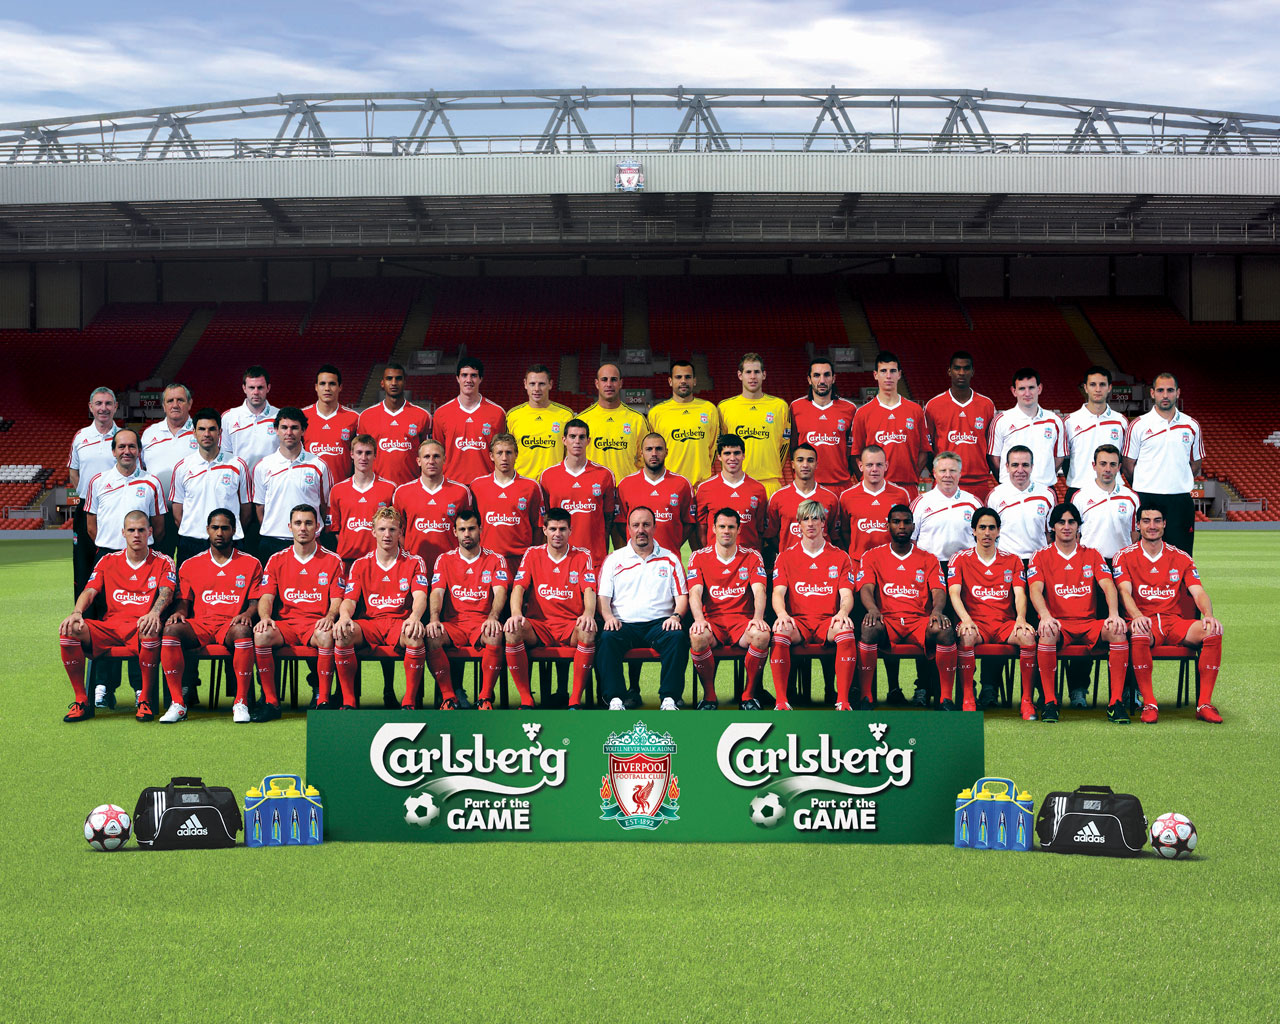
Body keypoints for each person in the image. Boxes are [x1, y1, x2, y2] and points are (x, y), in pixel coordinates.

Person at [58, 511, 174, 723]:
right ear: (123, 533)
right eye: (131, 530)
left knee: (151, 629)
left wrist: (154, 613)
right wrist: (76, 613)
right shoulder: (107, 560)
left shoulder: (163, 561)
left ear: (150, 532)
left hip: (140, 626)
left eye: (141, 530)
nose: (136, 534)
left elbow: (167, 592)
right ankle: (82, 700)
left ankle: (145, 700)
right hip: (110, 627)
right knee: (69, 629)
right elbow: (89, 591)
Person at [1113, 505, 1224, 724]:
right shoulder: (1123, 556)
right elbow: (1124, 592)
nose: (1151, 526)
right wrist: (1136, 616)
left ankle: (1204, 704)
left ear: (1164, 524)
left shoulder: (1181, 557)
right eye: (1146, 521)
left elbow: (1198, 591)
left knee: (1212, 631)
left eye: (1157, 521)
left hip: (1175, 623)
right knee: (1139, 633)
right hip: (1145, 621)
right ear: (1138, 525)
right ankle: (1150, 703)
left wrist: (1208, 614)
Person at [1026, 503, 1129, 723]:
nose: (1066, 526)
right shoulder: (1041, 556)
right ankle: (1050, 702)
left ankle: (1116, 703)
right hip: (1059, 624)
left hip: (1088, 623)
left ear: (1078, 526)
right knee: (1046, 632)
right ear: (1052, 527)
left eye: (1071, 522)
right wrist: (1045, 615)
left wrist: (1113, 614)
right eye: (1061, 522)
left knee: (1118, 631)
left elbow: (1108, 585)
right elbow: (1035, 589)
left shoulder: (1092, 554)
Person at [158, 509, 261, 723]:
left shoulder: (252, 563)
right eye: (215, 528)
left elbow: (255, 602)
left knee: (243, 630)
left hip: (231, 624)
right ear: (207, 530)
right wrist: (178, 614)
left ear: (234, 530)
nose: (219, 533)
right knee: (170, 629)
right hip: (201, 625)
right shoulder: (190, 564)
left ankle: (241, 702)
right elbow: (184, 602)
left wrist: (248, 614)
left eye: (225, 528)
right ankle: (178, 703)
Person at [856, 505, 958, 709]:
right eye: (896, 522)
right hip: (888, 620)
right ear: (888, 526)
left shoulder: (928, 558)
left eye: (906, 522)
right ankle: (866, 696)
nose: (901, 526)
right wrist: (873, 609)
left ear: (913, 527)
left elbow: (938, 590)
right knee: (868, 628)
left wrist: (937, 611)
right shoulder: (872, 556)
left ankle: (945, 698)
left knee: (945, 631)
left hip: (918, 621)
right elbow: (866, 588)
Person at [253, 505, 347, 717]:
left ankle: (322, 701)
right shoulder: (276, 559)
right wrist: (266, 618)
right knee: (261, 634)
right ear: (290, 527)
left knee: (326, 634)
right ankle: (270, 702)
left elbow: (337, 598)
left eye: (308, 523)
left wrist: (330, 617)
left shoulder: (333, 560)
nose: (303, 528)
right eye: (298, 523)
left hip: (316, 624)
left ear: (317, 527)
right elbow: (266, 596)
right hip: (286, 625)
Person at [334, 507, 433, 708]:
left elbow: (420, 596)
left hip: (400, 623)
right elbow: (350, 600)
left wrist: (414, 617)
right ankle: (349, 701)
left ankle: (410, 702)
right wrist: (344, 617)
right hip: (371, 624)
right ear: (373, 531)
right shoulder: (361, 564)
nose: (387, 535)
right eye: (381, 529)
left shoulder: (415, 562)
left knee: (414, 635)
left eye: (392, 530)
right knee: (343, 633)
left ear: (400, 532)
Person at [768, 500, 858, 710]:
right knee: (781, 630)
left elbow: (847, 594)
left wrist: (843, 612)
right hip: (798, 622)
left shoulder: (839, 556)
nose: (810, 523)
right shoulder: (785, 557)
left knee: (845, 628)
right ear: (798, 523)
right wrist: (781, 614)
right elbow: (778, 592)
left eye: (815, 518)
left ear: (823, 523)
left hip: (828, 621)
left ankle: (843, 701)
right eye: (806, 519)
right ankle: (781, 701)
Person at [947, 508, 1038, 717]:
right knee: (966, 635)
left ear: (998, 531)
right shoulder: (959, 559)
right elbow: (954, 593)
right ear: (974, 531)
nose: (987, 533)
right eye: (982, 528)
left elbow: (1019, 594)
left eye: (991, 528)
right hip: (976, 623)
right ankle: (969, 698)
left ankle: (1026, 702)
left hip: (1004, 623)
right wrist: (966, 619)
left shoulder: (1012, 560)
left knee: (1027, 635)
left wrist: (1021, 619)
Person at [597, 506, 689, 711]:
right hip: (624, 624)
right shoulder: (614, 559)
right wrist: (608, 616)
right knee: (607, 638)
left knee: (677, 638)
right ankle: (615, 699)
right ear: (628, 529)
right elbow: (603, 596)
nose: (641, 530)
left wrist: (675, 616)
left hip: (659, 625)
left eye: (646, 525)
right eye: (636, 525)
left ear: (655, 528)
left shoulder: (670, 558)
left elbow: (682, 596)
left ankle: (669, 699)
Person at [505, 508, 598, 709]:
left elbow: (589, 590)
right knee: (513, 629)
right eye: (553, 528)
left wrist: (588, 614)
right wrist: (516, 614)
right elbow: (519, 587)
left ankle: (574, 700)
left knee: (588, 629)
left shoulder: (582, 556)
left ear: (570, 531)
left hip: (570, 626)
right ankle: (526, 699)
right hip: (539, 627)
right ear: (544, 530)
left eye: (563, 529)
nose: (558, 534)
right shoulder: (532, 553)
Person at [424, 509, 509, 710]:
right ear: (454, 532)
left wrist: (493, 617)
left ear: (480, 529)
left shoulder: (496, 559)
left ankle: (485, 698)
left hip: (481, 624)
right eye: (462, 529)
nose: (467, 534)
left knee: (495, 633)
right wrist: (434, 618)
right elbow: (437, 593)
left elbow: (500, 592)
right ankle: (448, 697)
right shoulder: (444, 560)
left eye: (471, 529)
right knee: (432, 635)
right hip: (454, 625)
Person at [687, 508, 770, 710]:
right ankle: (709, 697)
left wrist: (758, 617)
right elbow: (694, 593)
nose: (726, 531)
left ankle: (748, 696)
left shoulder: (752, 556)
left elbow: (759, 590)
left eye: (731, 527)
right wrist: (699, 620)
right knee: (697, 636)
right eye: (722, 526)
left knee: (762, 634)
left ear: (738, 530)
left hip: (742, 622)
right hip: (712, 621)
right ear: (714, 529)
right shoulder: (698, 556)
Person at [1122, 372, 1204, 554]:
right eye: (1160, 390)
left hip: (1179, 500)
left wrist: (1176, 481)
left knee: (1181, 555)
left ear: (1178, 392)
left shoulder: (1192, 425)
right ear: (1152, 393)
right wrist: (1146, 485)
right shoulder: (1138, 425)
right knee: (1143, 554)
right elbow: (1128, 466)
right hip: (1146, 497)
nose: (1165, 395)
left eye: (1170, 390)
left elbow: (1196, 463)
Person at [169, 409, 253, 567]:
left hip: (230, 542)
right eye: (202, 429)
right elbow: (177, 512)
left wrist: (229, 533)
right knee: (188, 592)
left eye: (212, 429)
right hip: (191, 542)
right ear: (194, 432)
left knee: (230, 592)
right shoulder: (182, 467)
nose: (206, 434)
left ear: (220, 432)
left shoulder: (237, 465)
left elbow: (246, 509)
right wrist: (196, 531)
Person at [252, 407, 332, 562]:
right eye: (284, 427)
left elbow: (324, 506)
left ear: (303, 430)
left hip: (309, 542)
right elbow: (260, 507)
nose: (289, 432)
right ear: (276, 430)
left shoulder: (319, 465)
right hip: (272, 542)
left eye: (294, 427)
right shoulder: (263, 466)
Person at [538, 419, 615, 569]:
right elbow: (544, 520)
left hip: (594, 558)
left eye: (582, 437)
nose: (577, 441)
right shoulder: (548, 476)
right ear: (564, 440)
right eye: (572, 436)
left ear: (588, 441)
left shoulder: (605, 475)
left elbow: (608, 518)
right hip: (559, 558)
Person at [849, 352, 930, 493]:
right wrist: (868, 481)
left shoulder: (915, 410)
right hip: (876, 487)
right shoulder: (863, 413)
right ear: (875, 375)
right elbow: (856, 454)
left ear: (899, 374)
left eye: (892, 371)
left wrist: (913, 475)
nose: (888, 376)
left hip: (907, 485)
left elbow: (924, 450)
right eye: (883, 371)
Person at [468, 432, 543, 584]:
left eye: (508, 452)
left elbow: (539, 527)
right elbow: (470, 526)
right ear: (491, 456)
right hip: (487, 559)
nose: (504, 458)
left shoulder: (531, 487)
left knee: (518, 606)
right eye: (499, 453)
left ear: (516, 455)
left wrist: (532, 558)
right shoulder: (477, 486)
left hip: (520, 560)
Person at [68, 386, 121, 594]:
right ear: (91, 407)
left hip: (115, 509)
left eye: (108, 403)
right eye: (98, 403)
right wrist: (89, 496)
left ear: (116, 407)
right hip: (86, 508)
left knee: (113, 562)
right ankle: (83, 618)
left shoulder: (124, 438)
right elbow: (73, 471)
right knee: (83, 563)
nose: (103, 408)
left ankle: (113, 615)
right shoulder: (81, 436)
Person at [393, 438, 473, 576]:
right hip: (414, 568)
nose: (431, 461)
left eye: (436, 456)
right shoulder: (402, 492)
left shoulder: (461, 492)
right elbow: (397, 531)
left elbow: (469, 530)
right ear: (418, 461)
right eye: (426, 456)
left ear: (444, 459)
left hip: (451, 568)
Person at [924, 351, 997, 501]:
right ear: (949, 371)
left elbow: (993, 447)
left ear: (972, 371)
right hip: (946, 483)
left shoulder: (986, 405)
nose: (961, 373)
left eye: (966, 368)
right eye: (957, 368)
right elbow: (927, 446)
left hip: (979, 483)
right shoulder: (933, 405)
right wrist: (939, 473)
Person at [717, 352, 790, 497]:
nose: (752, 377)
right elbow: (720, 446)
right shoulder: (724, 408)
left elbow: (785, 444)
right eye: (748, 372)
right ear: (740, 375)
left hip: (770, 483)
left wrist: (771, 467)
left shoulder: (779, 406)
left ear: (764, 375)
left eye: (757, 372)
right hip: (737, 482)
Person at [84, 429, 166, 558]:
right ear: (113, 451)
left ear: (139, 451)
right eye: (121, 447)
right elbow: (91, 526)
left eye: (132, 446)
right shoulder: (97, 482)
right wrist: (107, 545)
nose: (126, 451)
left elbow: (159, 528)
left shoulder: (152, 483)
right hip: (107, 554)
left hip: (141, 554)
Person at [615, 433, 695, 556]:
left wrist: (674, 543)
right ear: (641, 453)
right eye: (649, 449)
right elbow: (621, 523)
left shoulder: (682, 484)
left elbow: (689, 522)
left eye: (658, 449)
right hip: (636, 560)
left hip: (669, 558)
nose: (654, 453)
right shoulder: (626, 484)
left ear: (666, 452)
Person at [140, 382, 197, 553]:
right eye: (170, 400)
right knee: (159, 564)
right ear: (163, 405)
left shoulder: (201, 431)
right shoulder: (150, 433)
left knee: (192, 564)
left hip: (192, 511)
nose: (175, 405)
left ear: (190, 403)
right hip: (159, 513)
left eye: (180, 400)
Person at [432, 356, 506, 485]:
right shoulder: (441, 413)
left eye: (473, 376)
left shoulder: (497, 413)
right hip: (452, 484)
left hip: (487, 484)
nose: (468, 380)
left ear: (480, 379)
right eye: (464, 375)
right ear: (457, 378)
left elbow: (502, 452)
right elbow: (437, 452)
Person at [647, 359, 720, 489]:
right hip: (668, 485)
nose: (683, 381)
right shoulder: (656, 413)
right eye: (678, 377)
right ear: (670, 381)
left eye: (688, 377)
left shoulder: (709, 409)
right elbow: (652, 451)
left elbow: (713, 448)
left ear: (695, 380)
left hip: (701, 486)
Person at [988, 368, 1066, 489]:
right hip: (1010, 489)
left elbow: (1059, 458)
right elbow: (994, 458)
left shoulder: (1055, 421)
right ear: (1014, 391)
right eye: (1022, 388)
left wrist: (1043, 478)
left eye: (1031, 387)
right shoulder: (1001, 421)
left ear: (1039, 389)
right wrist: (1011, 483)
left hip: (1045, 489)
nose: (1027, 393)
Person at [326, 433, 396, 567]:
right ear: (351, 454)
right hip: (347, 560)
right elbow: (335, 529)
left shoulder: (389, 488)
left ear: (375, 455)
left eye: (368, 453)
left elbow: (395, 527)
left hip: (380, 562)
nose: (363, 458)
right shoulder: (337, 490)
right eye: (359, 452)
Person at [357, 362, 432, 486]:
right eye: (389, 379)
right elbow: (359, 456)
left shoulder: (422, 416)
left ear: (405, 382)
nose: (393, 383)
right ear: (382, 383)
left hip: (411, 487)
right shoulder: (366, 417)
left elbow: (428, 455)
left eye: (398, 379)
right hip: (376, 487)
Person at [790, 358, 857, 492]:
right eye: (816, 375)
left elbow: (853, 450)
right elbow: (792, 447)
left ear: (833, 378)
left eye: (826, 375)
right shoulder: (795, 407)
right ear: (809, 379)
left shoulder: (850, 409)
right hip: (808, 486)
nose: (822, 381)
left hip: (841, 485)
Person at [577, 362, 649, 486]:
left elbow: (646, 459)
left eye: (613, 380)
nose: (609, 384)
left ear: (621, 383)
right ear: (597, 384)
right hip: (592, 490)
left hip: (628, 490)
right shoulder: (582, 420)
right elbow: (574, 459)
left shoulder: (637, 419)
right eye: (604, 380)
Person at [694, 434, 769, 550]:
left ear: (743, 455)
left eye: (737, 453)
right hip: (716, 558)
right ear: (719, 456)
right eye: (727, 453)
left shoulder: (758, 489)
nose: (732, 458)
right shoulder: (705, 488)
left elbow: (759, 530)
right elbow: (701, 530)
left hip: (748, 560)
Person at [1064, 366, 1127, 501]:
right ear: (1085, 388)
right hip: (1079, 488)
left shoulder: (1120, 421)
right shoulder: (1070, 421)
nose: (1098, 389)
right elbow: (1065, 460)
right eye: (1093, 384)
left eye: (1102, 384)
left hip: (1113, 490)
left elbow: (1125, 460)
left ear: (1109, 388)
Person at [505, 364, 575, 482]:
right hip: (522, 483)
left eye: (541, 384)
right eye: (532, 384)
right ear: (525, 384)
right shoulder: (513, 415)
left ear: (550, 384)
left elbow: (572, 454)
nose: (537, 389)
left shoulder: (566, 415)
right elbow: (506, 453)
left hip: (555, 483)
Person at [986, 446, 1054, 561]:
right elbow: (989, 534)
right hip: (1005, 562)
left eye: (1025, 465)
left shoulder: (1047, 495)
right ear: (1007, 467)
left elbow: (1051, 533)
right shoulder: (995, 496)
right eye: (1015, 465)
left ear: (1032, 467)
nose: (1020, 470)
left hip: (1038, 561)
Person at [767, 443, 839, 552]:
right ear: (792, 464)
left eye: (810, 460)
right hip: (790, 563)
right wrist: (786, 554)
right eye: (800, 460)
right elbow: (770, 534)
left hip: (823, 564)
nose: (805, 465)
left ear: (816, 464)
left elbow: (835, 536)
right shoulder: (778, 497)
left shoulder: (831, 498)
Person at [910, 451, 980, 564]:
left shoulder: (973, 502)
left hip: (966, 566)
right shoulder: (920, 503)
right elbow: (911, 539)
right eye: (943, 471)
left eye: (952, 471)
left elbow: (984, 539)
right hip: (930, 567)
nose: (948, 475)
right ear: (934, 473)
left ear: (960, 473)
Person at [1076, 444, 1140, 561]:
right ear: (1094, 466)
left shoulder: (1131, 497)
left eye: (1113, 464)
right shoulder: (1080, 497)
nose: (1108, 469)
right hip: (1089, 562)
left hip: (1122, 563)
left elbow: (1134, 534)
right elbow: (1076, 535)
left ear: (1119, 467)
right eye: (1103, 464)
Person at [302, 364, 360, 484]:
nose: (327, 388)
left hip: (342, 489)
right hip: (310, 488)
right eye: (322, 384)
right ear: (316, 387)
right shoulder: (302, 416)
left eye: (332, 384)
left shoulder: (354, 418)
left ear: (340, 387)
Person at [220, 365, 278, 474]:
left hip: (272, 482)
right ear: (244, 388)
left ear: (268, 388)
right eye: (252, 387)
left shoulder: (280, 416)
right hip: (240, 482)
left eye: (260, 387)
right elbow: (225, 455)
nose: (256, 392)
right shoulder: (228, 417)